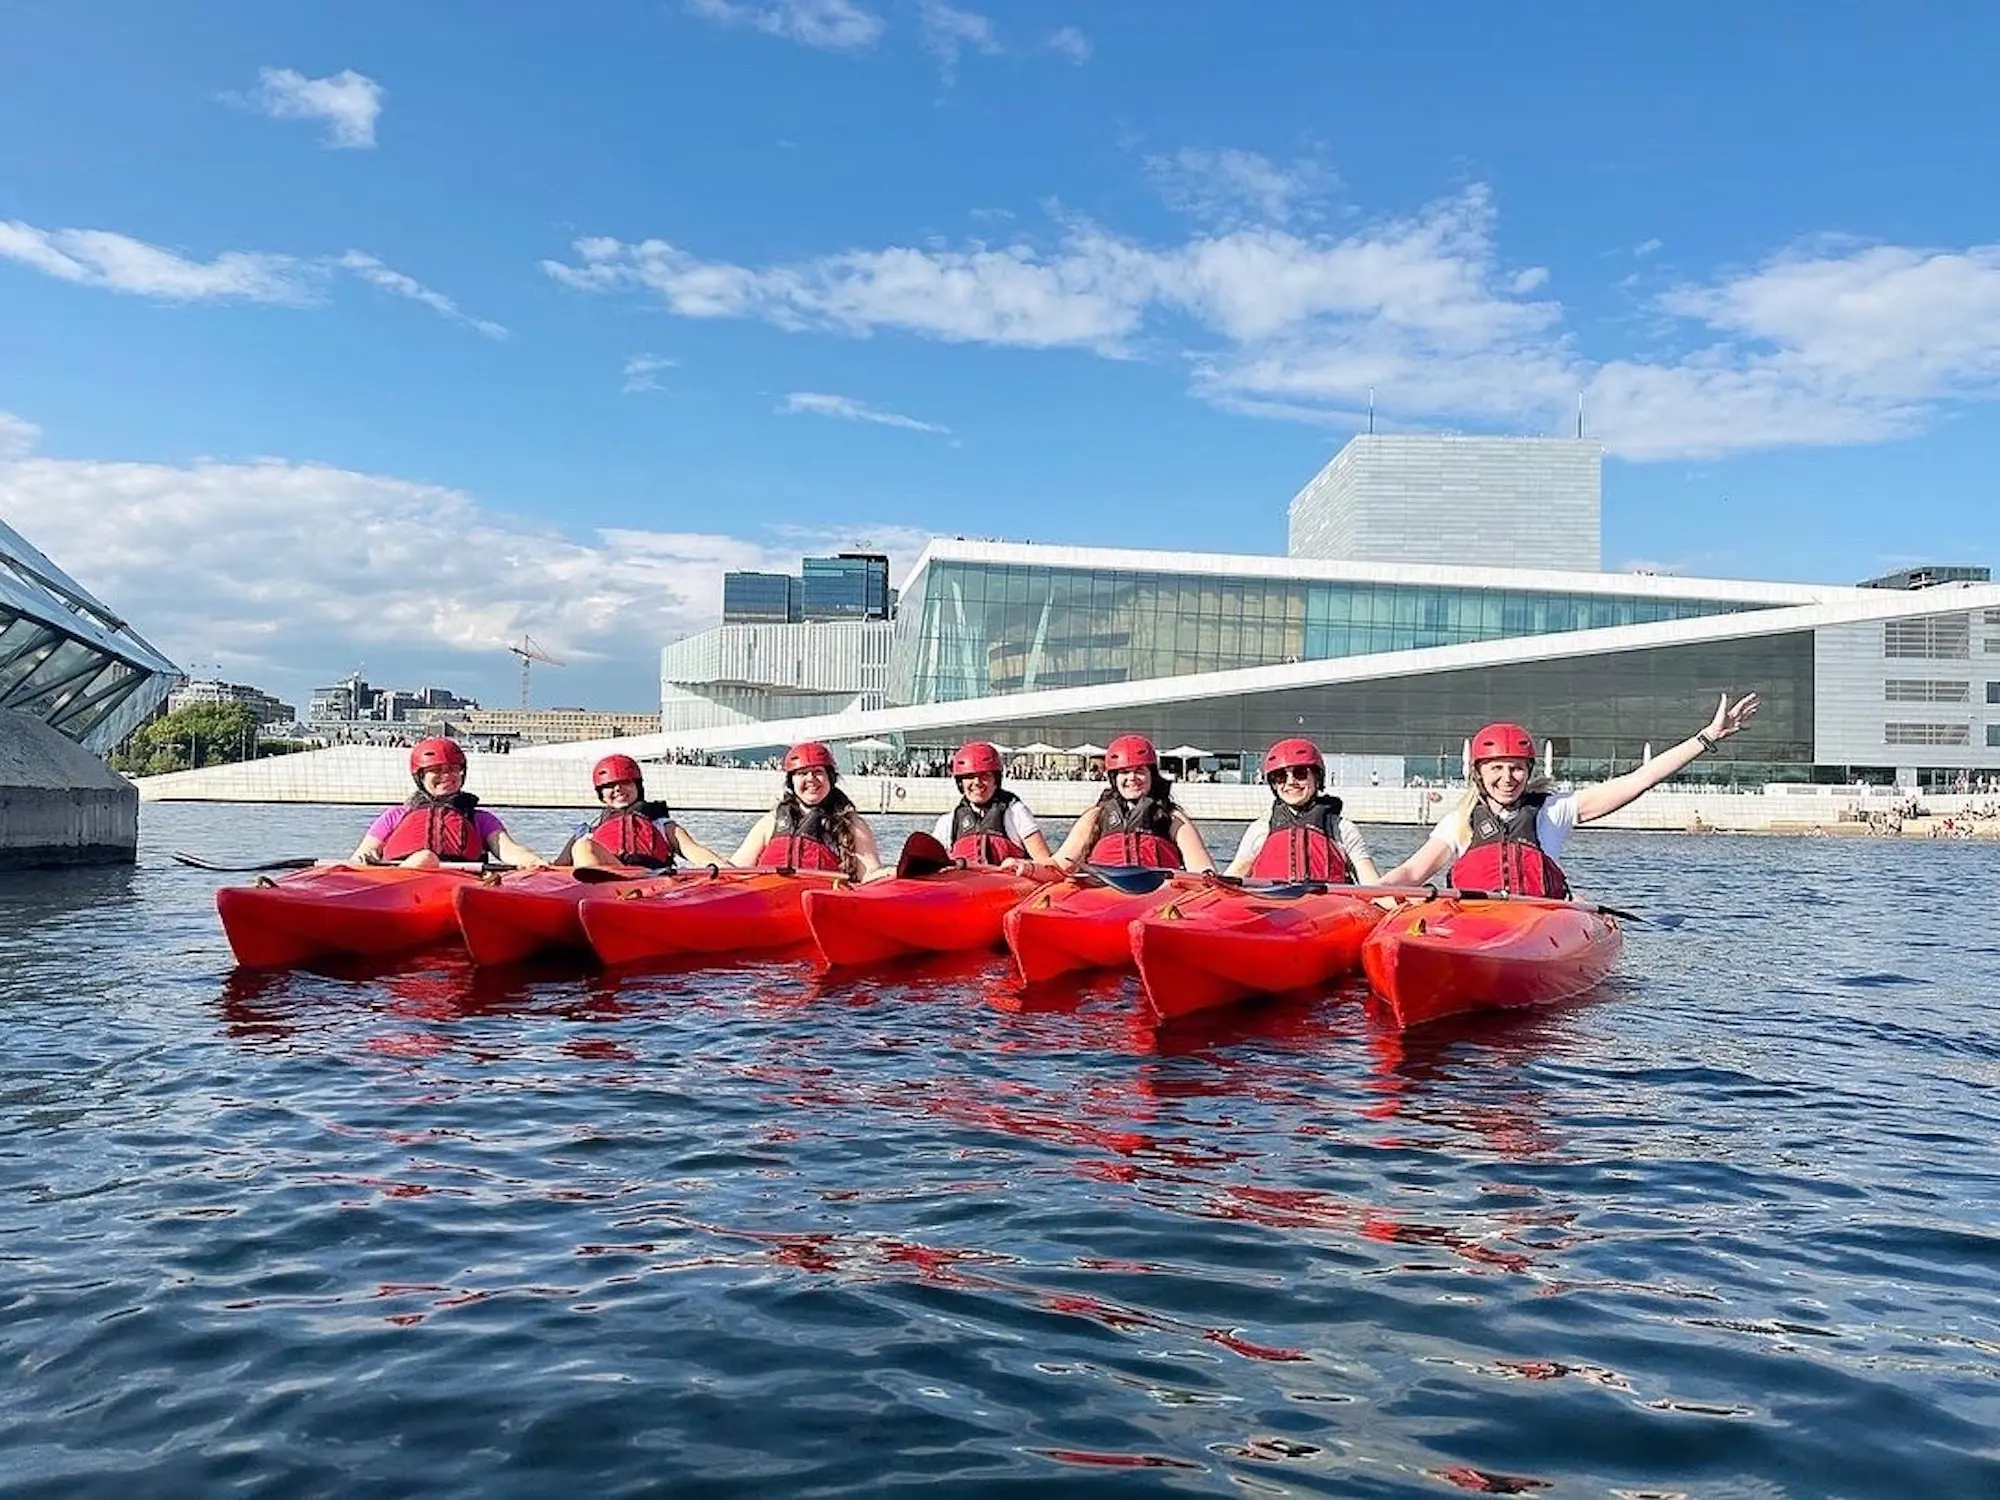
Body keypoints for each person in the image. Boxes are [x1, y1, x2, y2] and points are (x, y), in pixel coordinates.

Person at [1378, 692, 1759, 895]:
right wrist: (1363, 894)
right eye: (1496, 768)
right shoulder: (1458, 822)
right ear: (1479, 774)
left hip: (1536, 922)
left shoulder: (1553, 811)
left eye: (1516, 769)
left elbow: (1639, 780)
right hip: (1472, 925)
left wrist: (1706, 738)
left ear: (1529, 772)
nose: (1507, 778)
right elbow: (1413, 871)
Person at [349, 737, 546, 869]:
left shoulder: (481, 819)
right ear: (420, 777)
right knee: (425, 858)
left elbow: (508, 850)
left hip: (457, 881)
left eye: (453, 769)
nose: (447, 776)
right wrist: (369, 858)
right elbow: (362, 855)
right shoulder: (396, 815)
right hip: (400, 881)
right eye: (436, 770)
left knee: (426, 858)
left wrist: (534, 862)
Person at [1048, 734, 1215, 873]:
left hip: (1158, 898)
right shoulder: (1096, 817)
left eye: (1139, 771)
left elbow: (1200, 866)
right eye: (1124, 772)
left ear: (1152, 776)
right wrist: (1027, 869)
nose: (1131, 778)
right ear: (1114, 779)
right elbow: (1060, 864)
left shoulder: (1172, 817)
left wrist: (1208, 876)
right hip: (1105, 897)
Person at [1225, 738, 1382, 884]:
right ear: (1274, 784)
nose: (1290, 782)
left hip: (1328, 908)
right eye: (1280, 776)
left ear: (1317, 778)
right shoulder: (1260, 829)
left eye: (1299, 774)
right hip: (1272, 906)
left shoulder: (1341, 829)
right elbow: (1236, 871)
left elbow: (1370, 880)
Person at [729, 741, 887, 880]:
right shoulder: (771, 822)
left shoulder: (852, 824)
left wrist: (893, 873)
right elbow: (737, 867)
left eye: (818, 772)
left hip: (823, 906)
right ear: (791, 782)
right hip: (772, 904)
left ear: (830, 779)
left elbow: (870, 874)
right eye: (802, 773)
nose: (811, 778)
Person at [565, 753, 726, 870]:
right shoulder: (587, 832)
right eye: (609, 786)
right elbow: (556, 869)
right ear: (601, 794)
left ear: (637, 787)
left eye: (625, 783)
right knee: (582, 846)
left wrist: (725, 869)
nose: (618, 789)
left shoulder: (662, 825)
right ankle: (594, 893)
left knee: (582, 845)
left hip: (651, 881)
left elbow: (692, 850)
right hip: (609, 881)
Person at [930, 740, 1057, 872]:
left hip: (1009, 887)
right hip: (964, 888)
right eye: (969, 776)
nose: (977, 783)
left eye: (985, 775)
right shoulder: (948, 822)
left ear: (996, 780)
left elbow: (1045, 864)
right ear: (960, 783)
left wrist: (1022, 865)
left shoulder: (1016, 812)